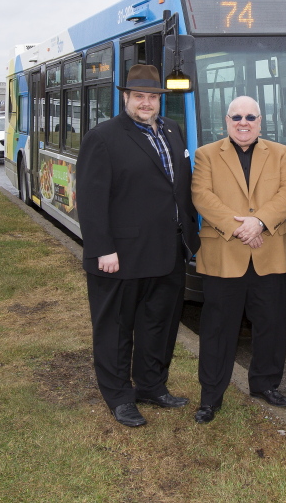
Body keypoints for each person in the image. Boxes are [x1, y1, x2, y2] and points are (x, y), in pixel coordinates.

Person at [76, 64, 200, 428]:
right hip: (120, 256)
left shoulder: (172, 131)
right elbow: (91, 198)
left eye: (153, 97)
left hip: (168, 251)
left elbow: (179, 188)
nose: (147, 103)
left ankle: (152, 386)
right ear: (126, 97)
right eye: (139, 96)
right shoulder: (103, 137)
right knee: (115, 329)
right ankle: (118, 397)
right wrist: (102, 249)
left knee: (159, 325)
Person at [190, 96, 286, 424]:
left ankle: (265, 384)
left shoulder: (281, 154)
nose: (243, 122)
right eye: (236, 116)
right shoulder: (206, 154)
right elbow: (201, 196)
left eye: (250, 116)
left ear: (261, 121)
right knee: (218, 330)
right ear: (226, 120)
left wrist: (260, 222)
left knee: (272, 326)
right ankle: (211, 396)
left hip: (268, 253)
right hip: (224, 255)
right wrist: (241, 228)